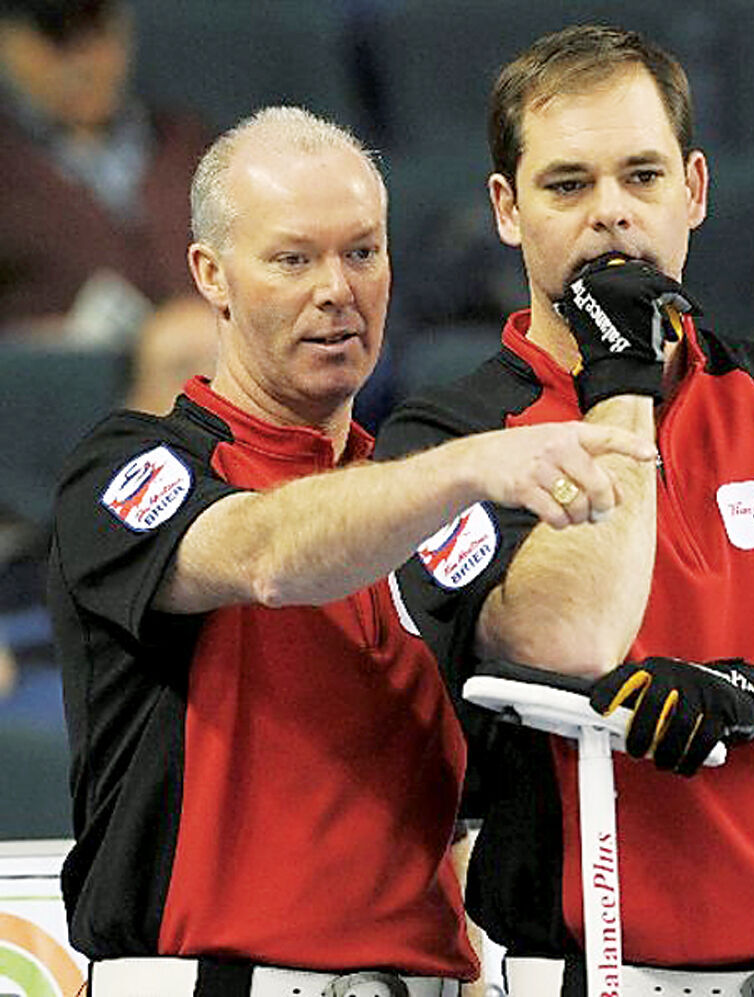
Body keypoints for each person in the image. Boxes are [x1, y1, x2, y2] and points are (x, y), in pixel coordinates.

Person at [373, 25, 754, 997]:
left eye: (643, 176)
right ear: (506, 208)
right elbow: (563, 633)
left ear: (694, 189)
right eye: (567, 185)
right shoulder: (444, 442)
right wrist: (620, 381)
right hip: (611, 977)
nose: (611, 214)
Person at [47, 105, 657, 996]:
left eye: (362, 253)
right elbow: (266, 554)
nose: (337, 288)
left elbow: (483, 773)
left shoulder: (438, 509)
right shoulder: (126, 469)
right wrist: (470, 464)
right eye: (293, 259)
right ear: (211, 275)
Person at [0, 0, 210, 341]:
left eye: (97, 33)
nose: (84, 63)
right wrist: (45, 342)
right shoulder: (10, 166)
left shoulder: (187, 142)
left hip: (204, 369)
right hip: (56, 385)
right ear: (10, 44)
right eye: (58, 40)